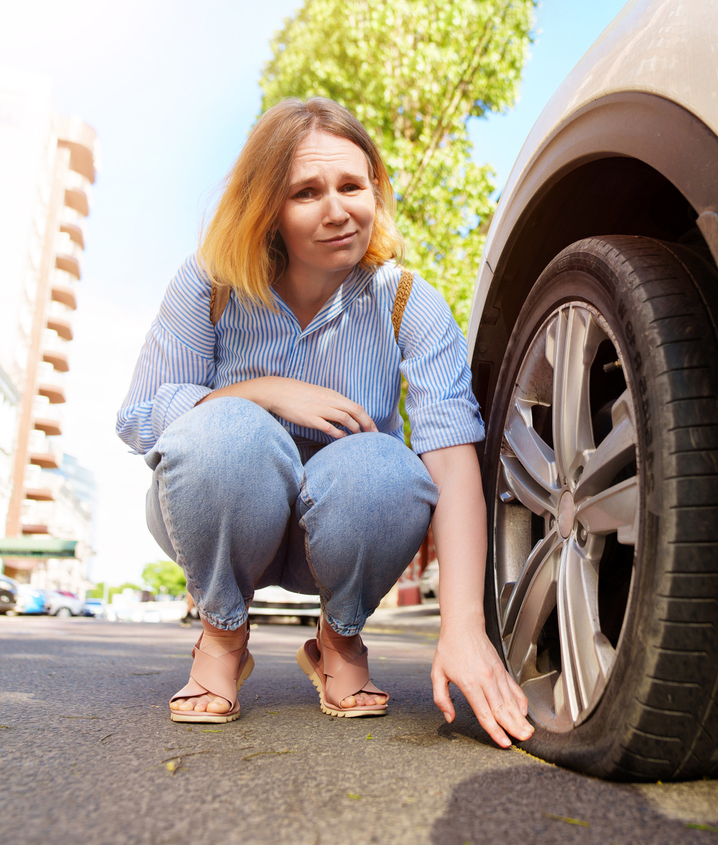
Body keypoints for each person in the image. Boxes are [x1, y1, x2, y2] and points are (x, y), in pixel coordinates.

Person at [115, 97, 532, 748]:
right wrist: (264, 392)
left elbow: (452, 461)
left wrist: (464, 626)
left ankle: (337, 639)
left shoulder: (406, 302)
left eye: (352, 186)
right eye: (306, 192)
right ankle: (222, 638)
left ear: (375, 189)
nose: (338, 210)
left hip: (346, 530)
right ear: (267, 208)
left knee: (387, 465)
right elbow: (139, 417)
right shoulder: (209, 284)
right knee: (225, 431)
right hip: (217, 514)